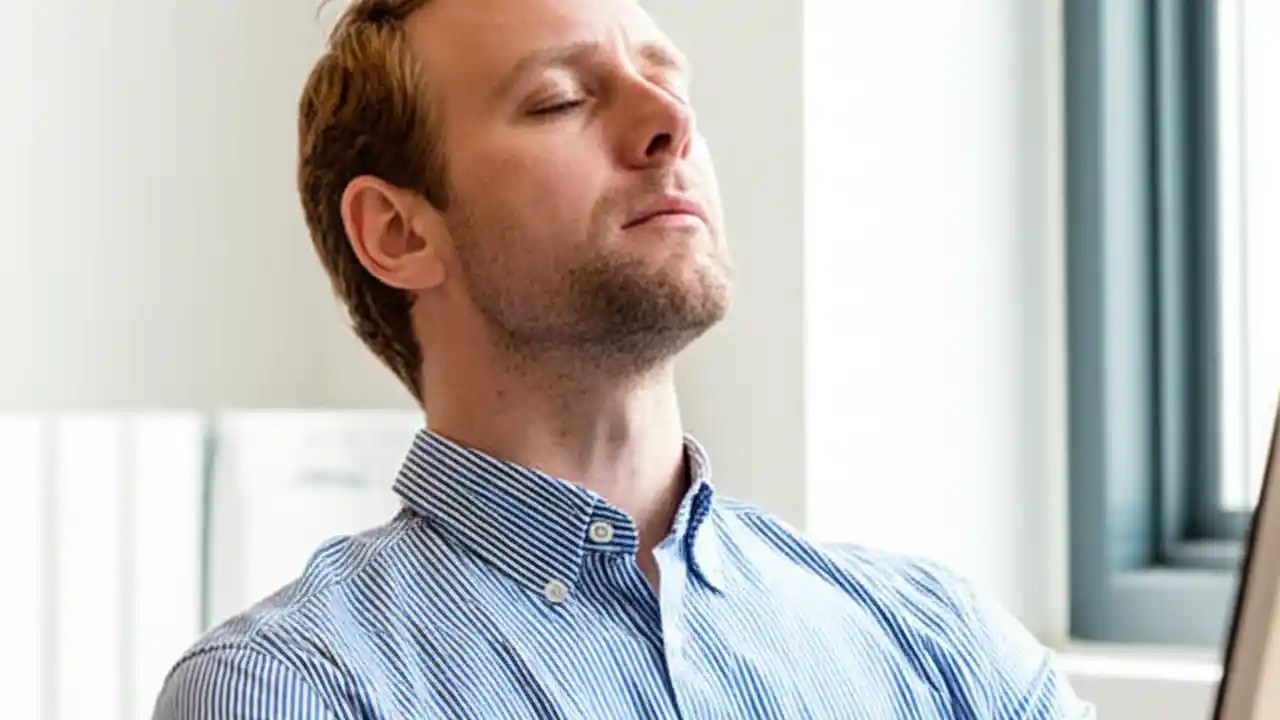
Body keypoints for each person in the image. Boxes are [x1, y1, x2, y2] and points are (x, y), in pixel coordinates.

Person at [154, 0, 1095, 717]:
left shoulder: (938, 643)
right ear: (398, 230)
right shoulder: (292, 688)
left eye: (671, 85)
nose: (670, 126)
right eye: (560, 99)